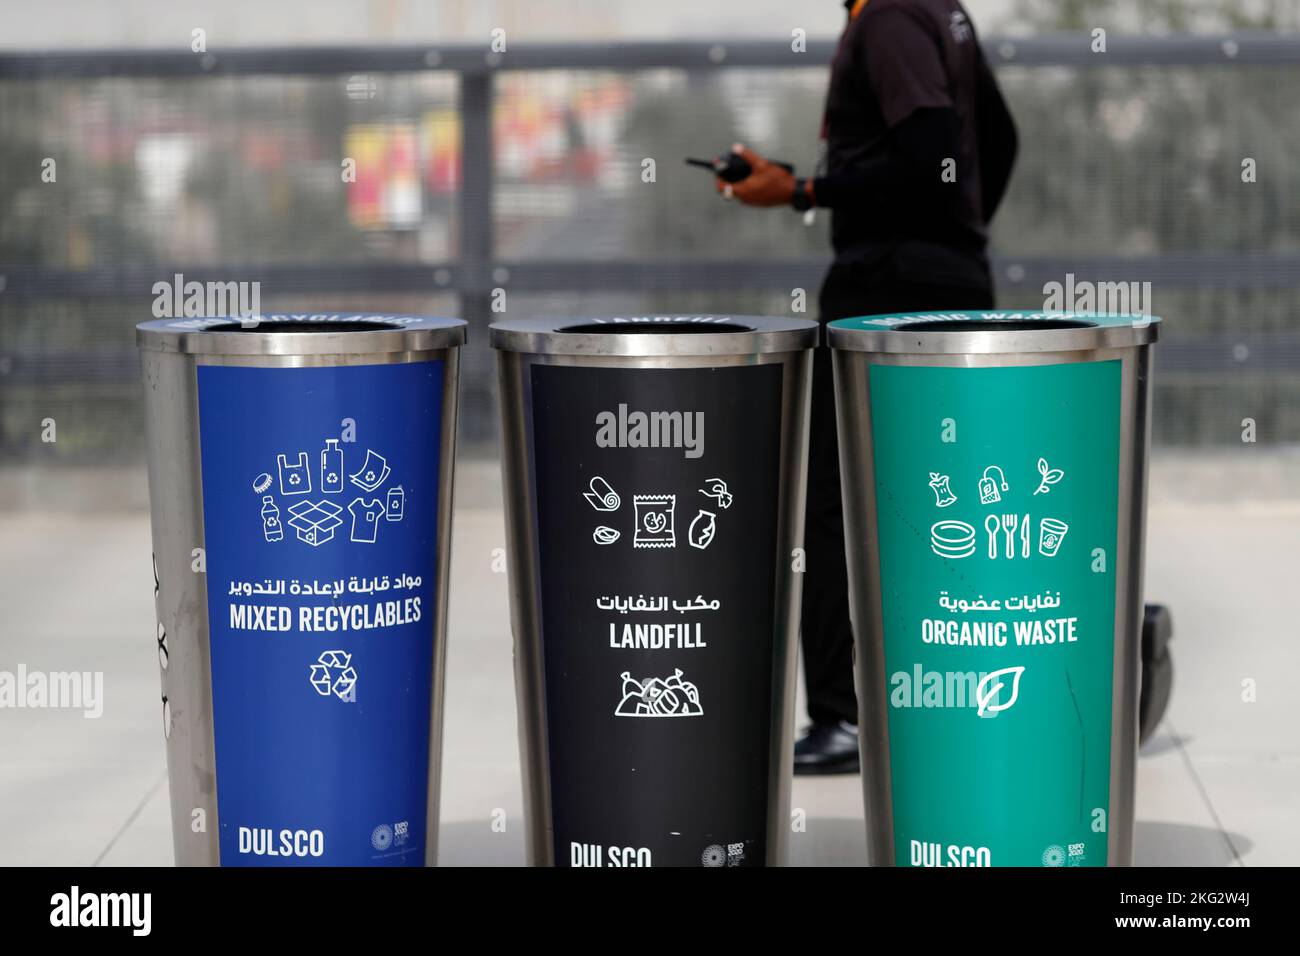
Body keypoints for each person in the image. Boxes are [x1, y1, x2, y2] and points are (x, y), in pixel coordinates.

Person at [717, 0, 1018, 773]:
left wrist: (805, 192)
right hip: (949, 278)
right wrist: (959, 235)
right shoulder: (939, 9)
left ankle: (845, 720)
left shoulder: (884, 20)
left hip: (886, 287)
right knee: (937, 494)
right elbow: (998, 139)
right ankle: (958, 694)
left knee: (837, 500)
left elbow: (923, 151)